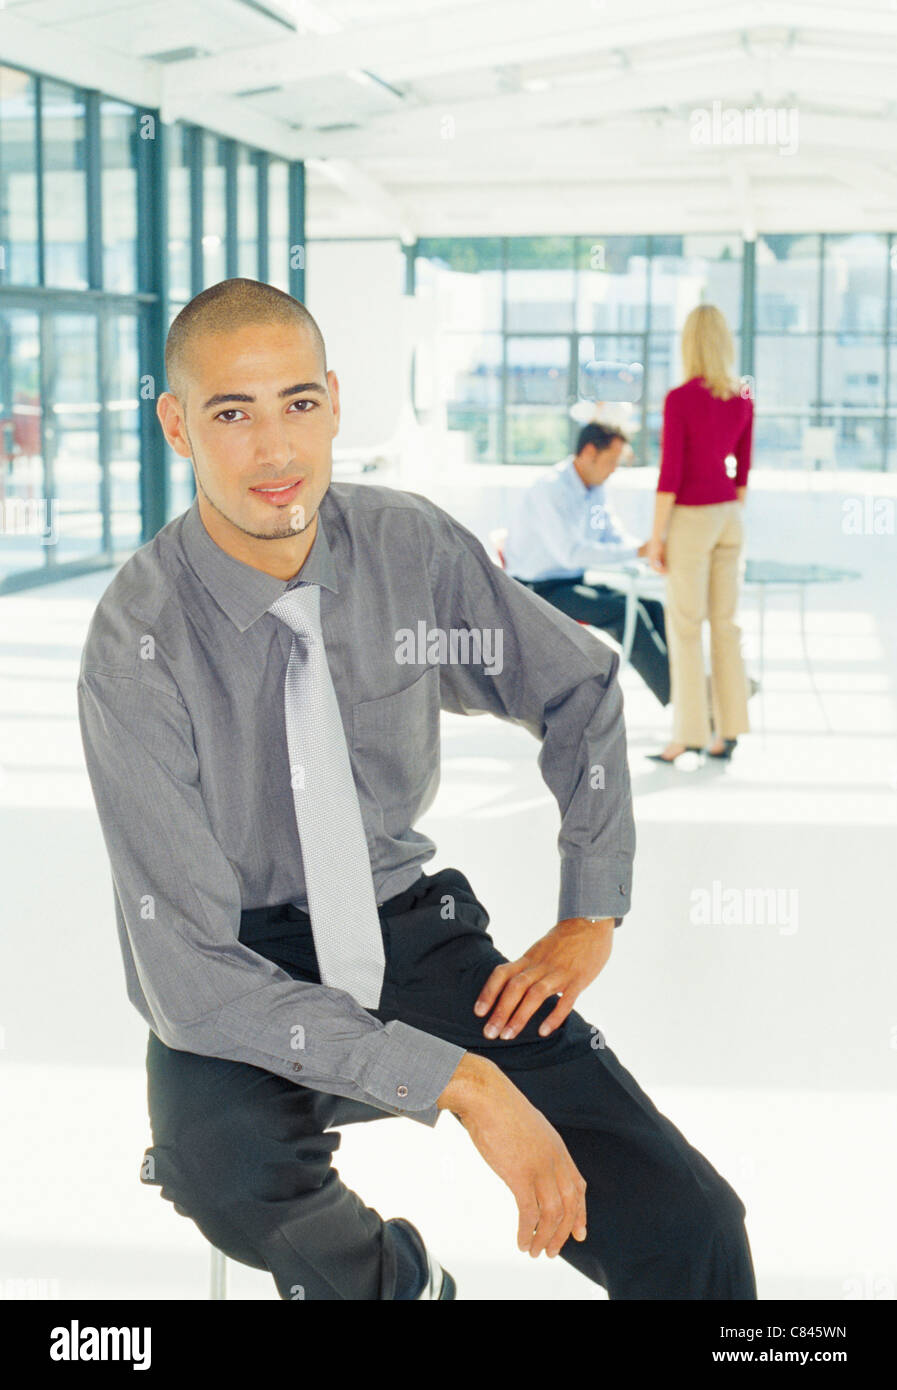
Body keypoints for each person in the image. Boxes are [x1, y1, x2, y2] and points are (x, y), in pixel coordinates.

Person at [77, 278, 756, 1301]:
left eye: (299, 404)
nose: (276, 450)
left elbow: (579, 684)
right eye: (233, 412)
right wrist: (462, 1082)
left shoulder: (409, 551)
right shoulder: (138, 643)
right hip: (239, 964)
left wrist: (593, 905)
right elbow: (191, 973)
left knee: (693, 1222)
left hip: (412, 932)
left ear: (338, 402)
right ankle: (399, 1287)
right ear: (178, 425)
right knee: (219, 1163)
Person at [645, 304, 753, 763]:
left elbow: (670, 475)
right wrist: (726, 511)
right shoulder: (742, 397)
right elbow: (742, 470)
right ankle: (728, 732)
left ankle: (687, 735)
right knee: (724, 626)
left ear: (689, 343)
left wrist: (657, 538)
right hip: (730, 514)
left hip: (692, 516)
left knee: (686, 627)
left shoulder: (680, 399)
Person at [504, 423, 670, 708]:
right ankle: (687, 702)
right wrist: (635, 550)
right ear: (589, 452)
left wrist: (646, 551)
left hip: (569, 583)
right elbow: (571, 554)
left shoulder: (594, 490)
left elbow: (610, 534)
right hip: (535, 592)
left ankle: (688, 689)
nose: (615, 469)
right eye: (611, 461)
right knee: (626, 613)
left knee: (653, 607)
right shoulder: (552, 490)